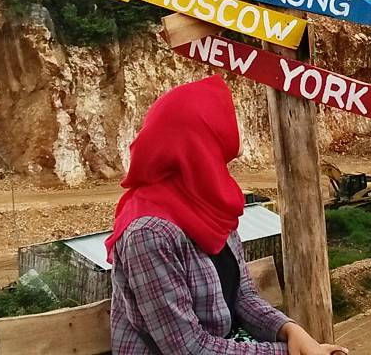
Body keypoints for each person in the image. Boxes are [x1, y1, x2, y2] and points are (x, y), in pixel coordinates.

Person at [108, 74, 349, 355]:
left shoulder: (210, 204)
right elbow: (187, 349)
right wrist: (289, 353)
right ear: (198, 149)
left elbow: (242, 296)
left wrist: (290, 331)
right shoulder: (148, 233)